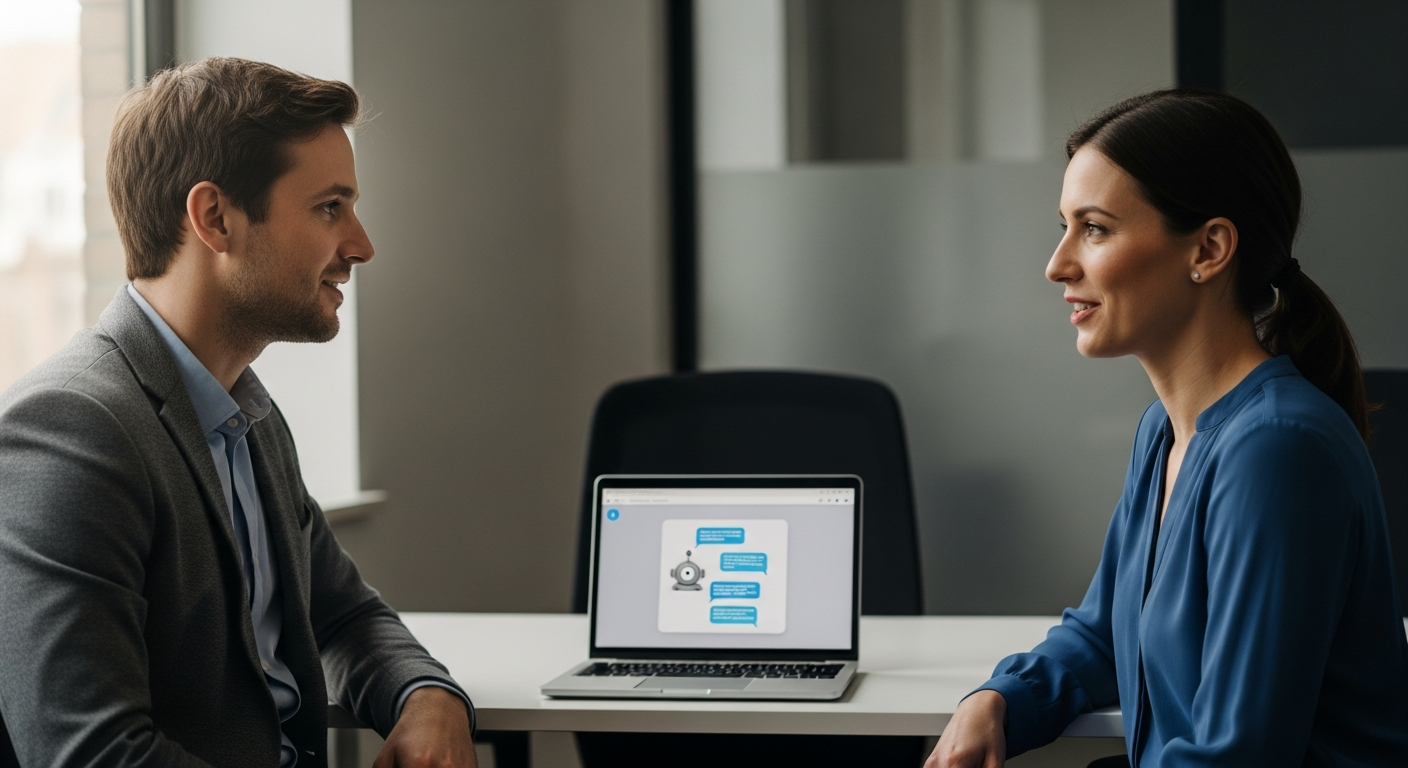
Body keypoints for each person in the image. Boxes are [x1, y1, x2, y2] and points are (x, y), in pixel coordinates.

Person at [0, 58, 477, 767]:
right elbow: (93, 755)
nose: (360, 246)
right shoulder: (70, 433)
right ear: (215, 218)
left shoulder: (243, 413)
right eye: (329, 208)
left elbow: (341, 615)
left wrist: (426, 696)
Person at [927, 89, 1408, 767]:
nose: (1058, 264)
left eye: (1094, 228)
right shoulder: (1166, 431)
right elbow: (1102, 636)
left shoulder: (1276, 449)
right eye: (1065, 226)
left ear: (1209, 249)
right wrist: (1001, 699)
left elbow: (1237, 755)